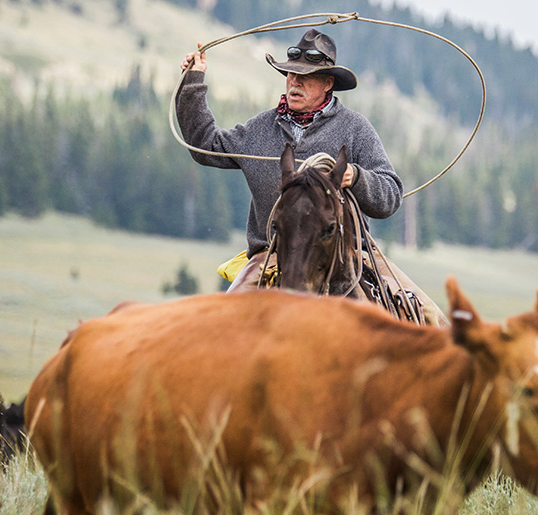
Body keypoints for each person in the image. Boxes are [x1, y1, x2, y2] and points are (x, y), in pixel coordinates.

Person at [177, 28, 444, 324]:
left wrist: (355, 177)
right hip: (272, 256)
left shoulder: (355, 129)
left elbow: (390, 195)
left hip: (349, 257)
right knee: (219, 329)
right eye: (291, 75)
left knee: (432, 320)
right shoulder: (261, 129)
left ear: (328, 83)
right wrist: (193, 80)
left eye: (305, 77)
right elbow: (205, 145)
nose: (295, 82)